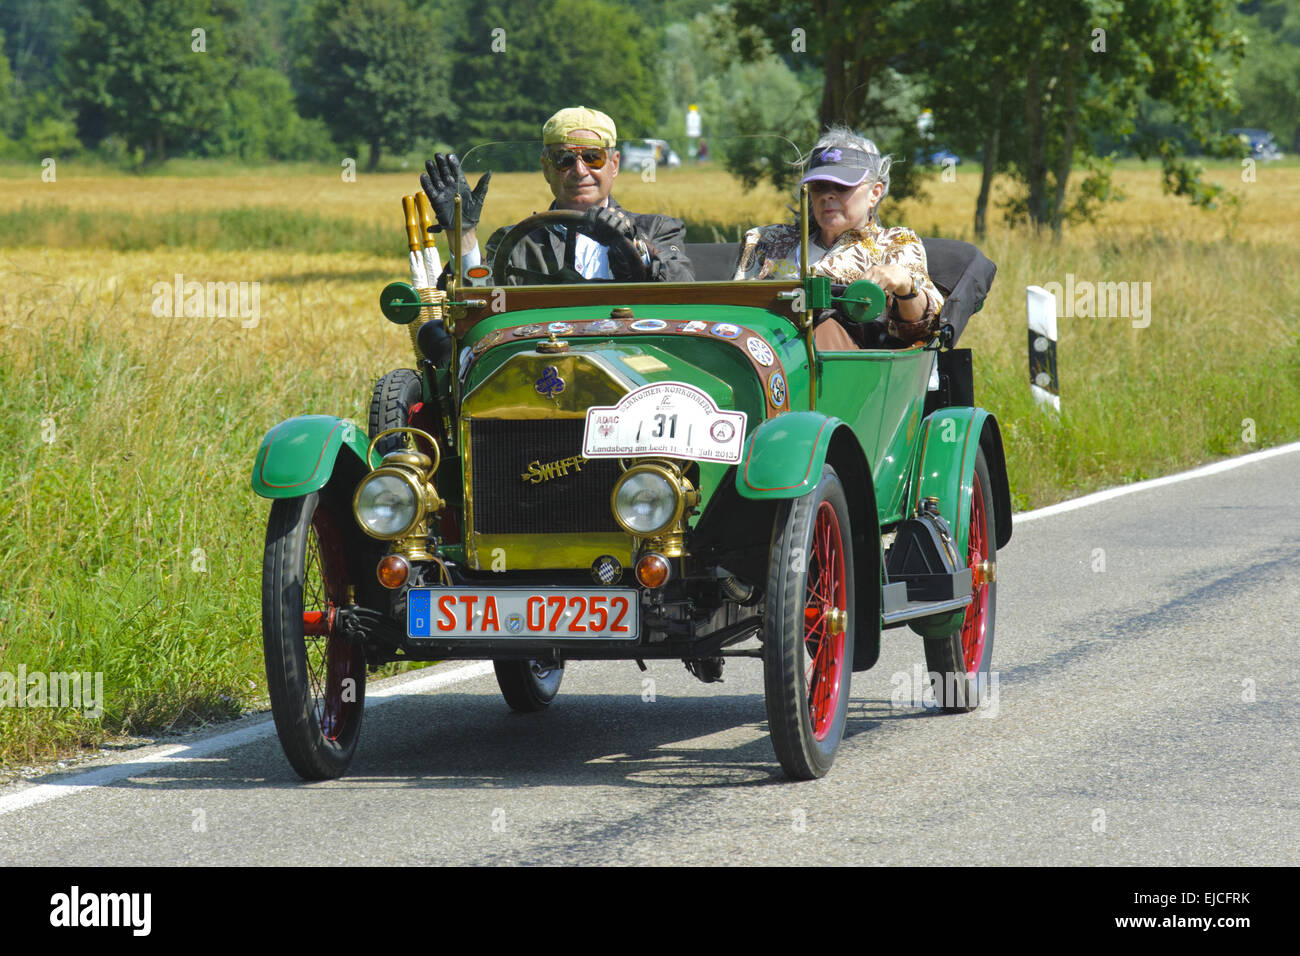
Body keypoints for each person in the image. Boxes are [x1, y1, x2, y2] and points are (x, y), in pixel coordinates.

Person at [421, 106, 693, 284]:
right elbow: (476, 309)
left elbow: (683, 289)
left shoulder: (659, 229)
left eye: (592, 157)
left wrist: (634, 245)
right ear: (546, 168)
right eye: (564, 159)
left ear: (615, 164)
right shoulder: (515, 242)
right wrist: (464, 236)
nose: (579, 170)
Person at [732, 127, 943, 349]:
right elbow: (733, 313)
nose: (827, 195)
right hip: (761, 351)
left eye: (843, 186)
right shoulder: (766, 240)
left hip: (849, 365)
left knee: (826, 329)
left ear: (875, 193)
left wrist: (905, 286)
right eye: (819, 186)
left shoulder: (896, 244)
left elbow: (924, 330)